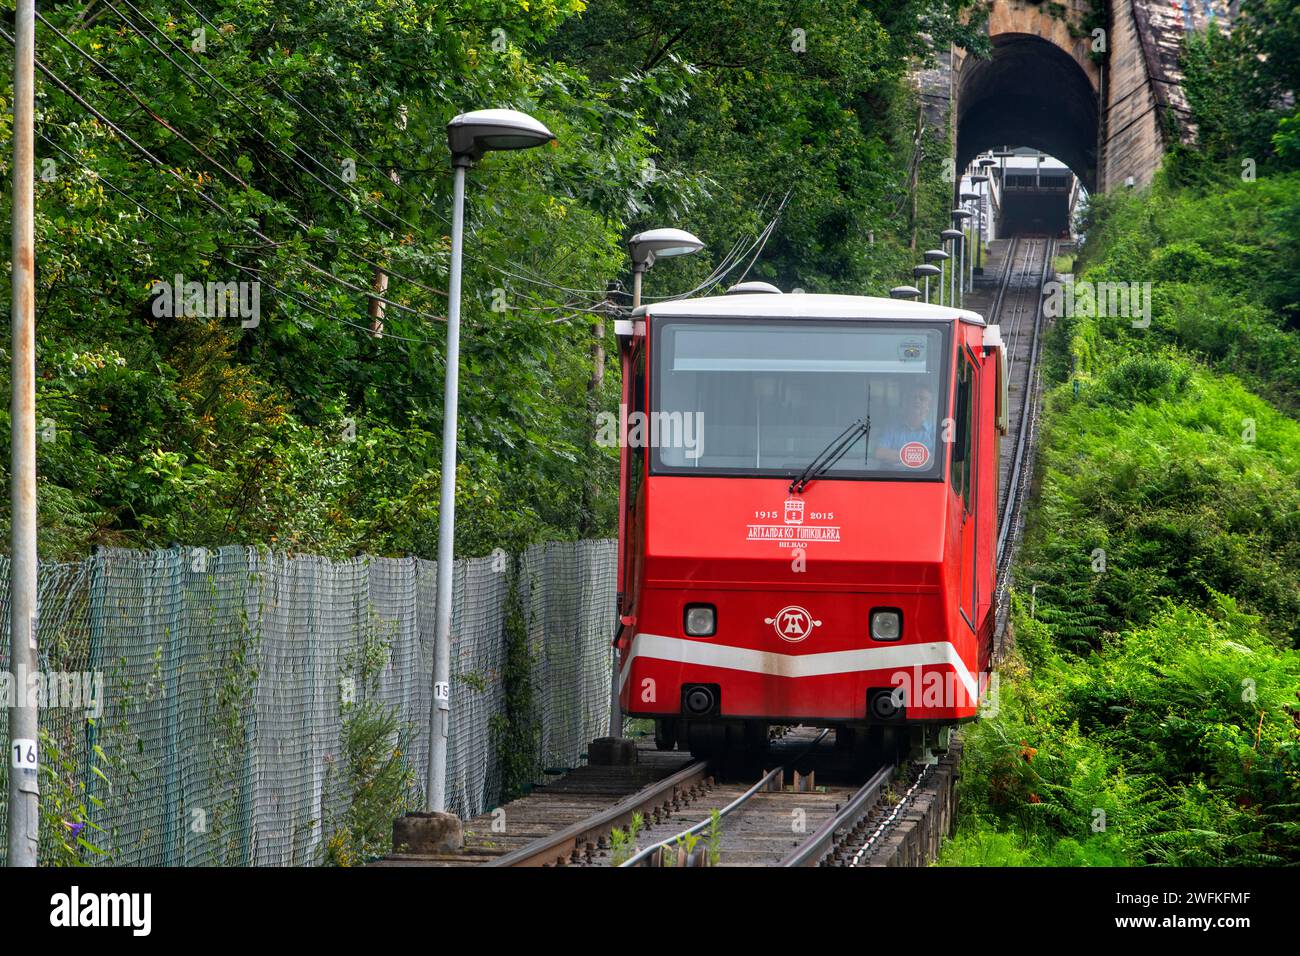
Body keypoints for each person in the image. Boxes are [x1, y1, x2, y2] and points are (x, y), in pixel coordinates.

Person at [871, 381, 936, 470]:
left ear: (929, 405)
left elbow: (935, 461)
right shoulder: (891, 428)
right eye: (913, 397)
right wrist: (916, 459)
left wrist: (898, 457)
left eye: (922, 398)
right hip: (893, 479)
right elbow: (879, 452)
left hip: (924, 481)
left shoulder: (934, 432)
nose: (917, 400)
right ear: (906, 402)